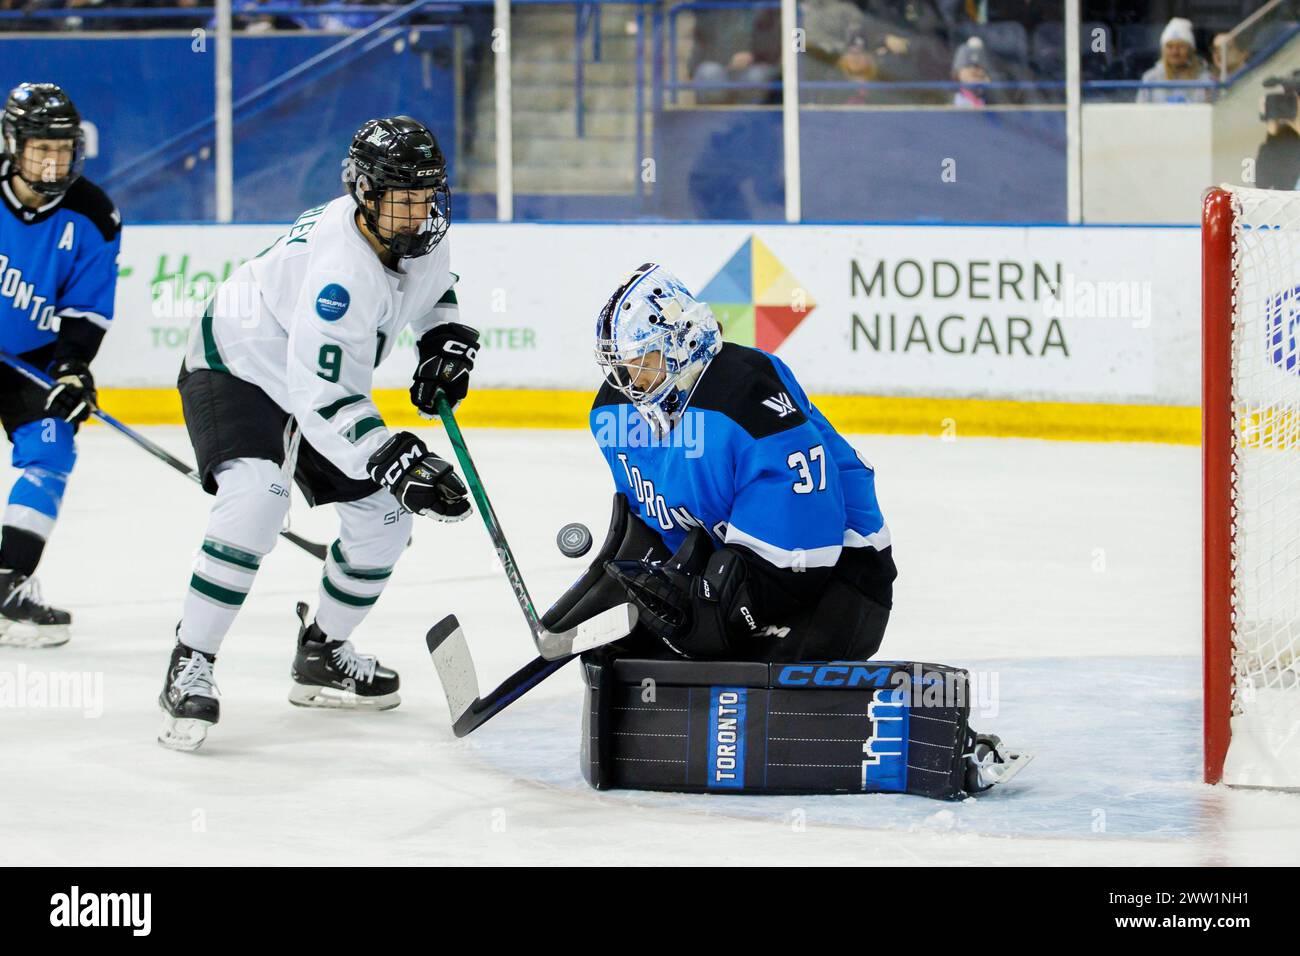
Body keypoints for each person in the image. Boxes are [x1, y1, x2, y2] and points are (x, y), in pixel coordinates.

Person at [158, 115, 477, 752]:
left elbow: (436, 292)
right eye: (403, 198)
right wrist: (393, 454)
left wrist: (442, 342)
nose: (418, 212)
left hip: (306, 380)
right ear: (365, 193)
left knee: (387, 519)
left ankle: (322, 654)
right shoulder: (340, 272)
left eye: (426, 195)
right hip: (239, 366)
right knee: (257, 499)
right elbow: (321, 396)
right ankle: (190, 662)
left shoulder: (418, 234)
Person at [583, 263, 896, 663]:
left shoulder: (743, 392)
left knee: (717, 637)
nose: (630, 380)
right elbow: (657, 527)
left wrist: (710, 610)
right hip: (740, 562)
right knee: (624, 642)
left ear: (683, 343)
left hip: (841, 572)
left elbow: (803, 547)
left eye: (644, 360)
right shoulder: (618, 414)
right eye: (622, 365)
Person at [0, 82, 121, 648]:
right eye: (38, 148)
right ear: (12, 143)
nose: (52, 161)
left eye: (62, 148)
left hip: (30, 357)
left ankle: (7, 585)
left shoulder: (94, 214)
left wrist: (73, 368)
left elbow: (86, 309)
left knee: (52, 448)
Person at [1136, 17, 1213, 105]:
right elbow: (1141, 113)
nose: (1175, 52)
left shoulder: (1205, 80)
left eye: (1181, 46)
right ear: (1163, 50)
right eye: (1169, 46)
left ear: (1191, 50)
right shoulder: (1150, 79)